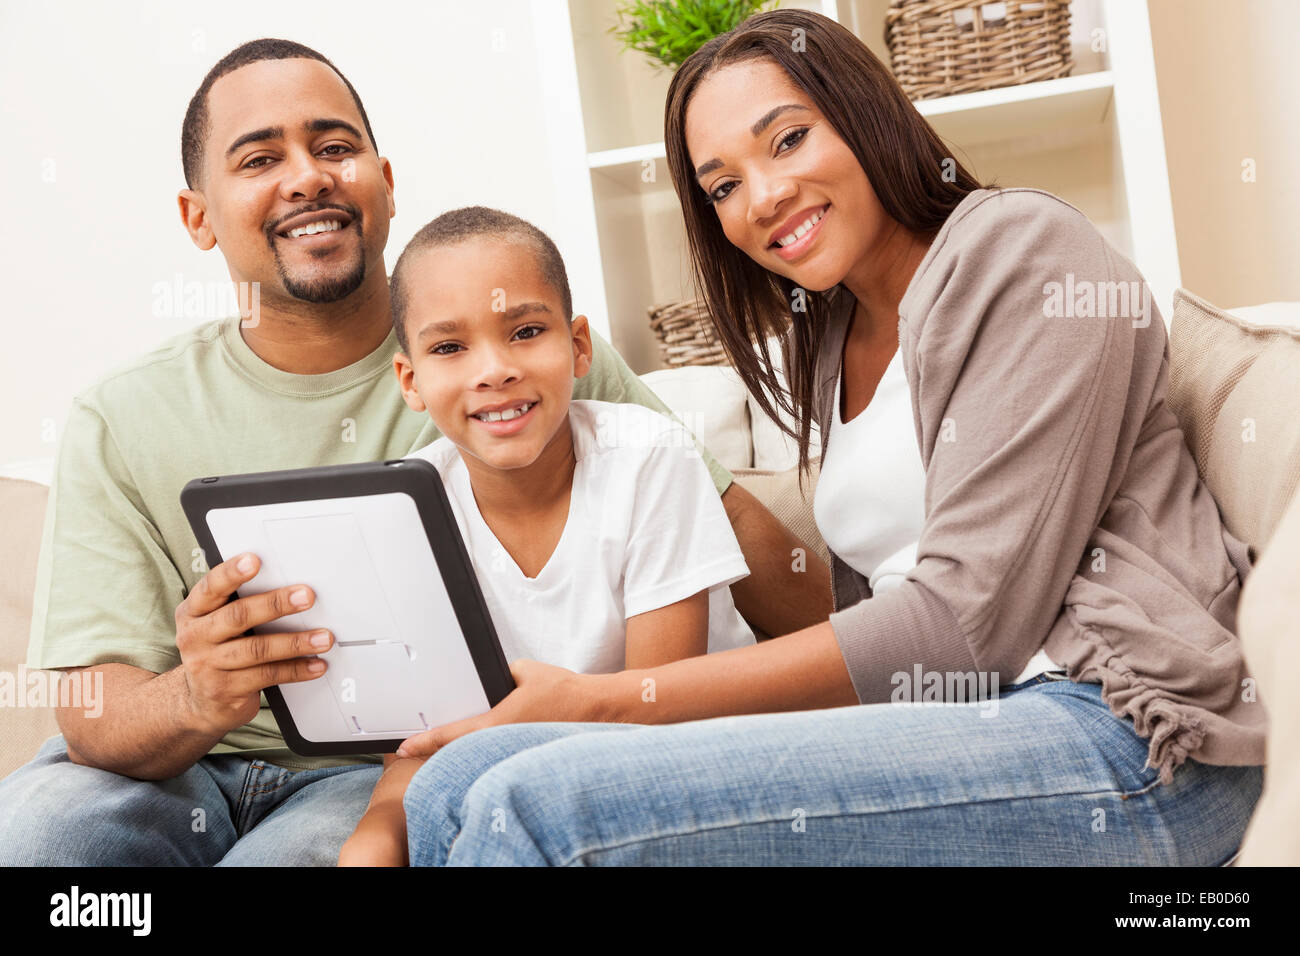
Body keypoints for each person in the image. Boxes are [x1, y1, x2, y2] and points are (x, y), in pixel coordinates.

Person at [393, 9, 1267, 866]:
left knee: (527, 808)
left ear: (863, 115)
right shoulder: (835, 333)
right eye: (723, 186)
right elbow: (869, 616)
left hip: (1121, 736)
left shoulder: (1023, 252)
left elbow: (965, 630)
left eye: (786, 140)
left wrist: (610, 703)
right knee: (454, 781)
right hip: (953, 728)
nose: (763, 198)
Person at [0, 38, 827, 867]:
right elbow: (93, 718)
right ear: (197, 218)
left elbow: (732, 546)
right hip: (172, 774)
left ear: (385, 184)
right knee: (37, 838)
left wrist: (884, 643)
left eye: (334, 147)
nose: (307, 177)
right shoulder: (119, 416)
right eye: (260, 159)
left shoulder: (535, 377)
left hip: (366, 773)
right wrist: (197, 690)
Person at [338, 207, 755, 865]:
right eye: (449, 347)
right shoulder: (403, 508)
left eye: (526, 331)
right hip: (508, 790)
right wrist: (372, 841)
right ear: (410, 381)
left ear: (579, 345)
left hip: (677, 768)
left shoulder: (649, 456)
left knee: (483, 792)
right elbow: (417, 750)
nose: (494, 369)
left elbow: (656, 714)